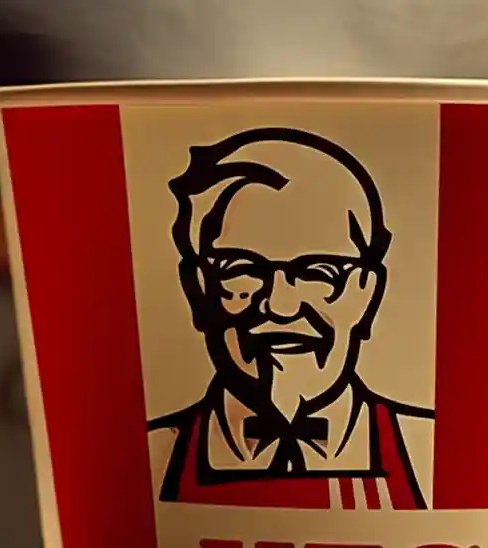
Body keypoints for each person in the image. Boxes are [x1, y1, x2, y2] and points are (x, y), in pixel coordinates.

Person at [148, 127, 431, 510]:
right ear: (198, 290)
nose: (280, 306)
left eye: (320, 272)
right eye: (241, 269)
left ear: (367, 293)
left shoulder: (429, 449)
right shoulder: (146, 457)